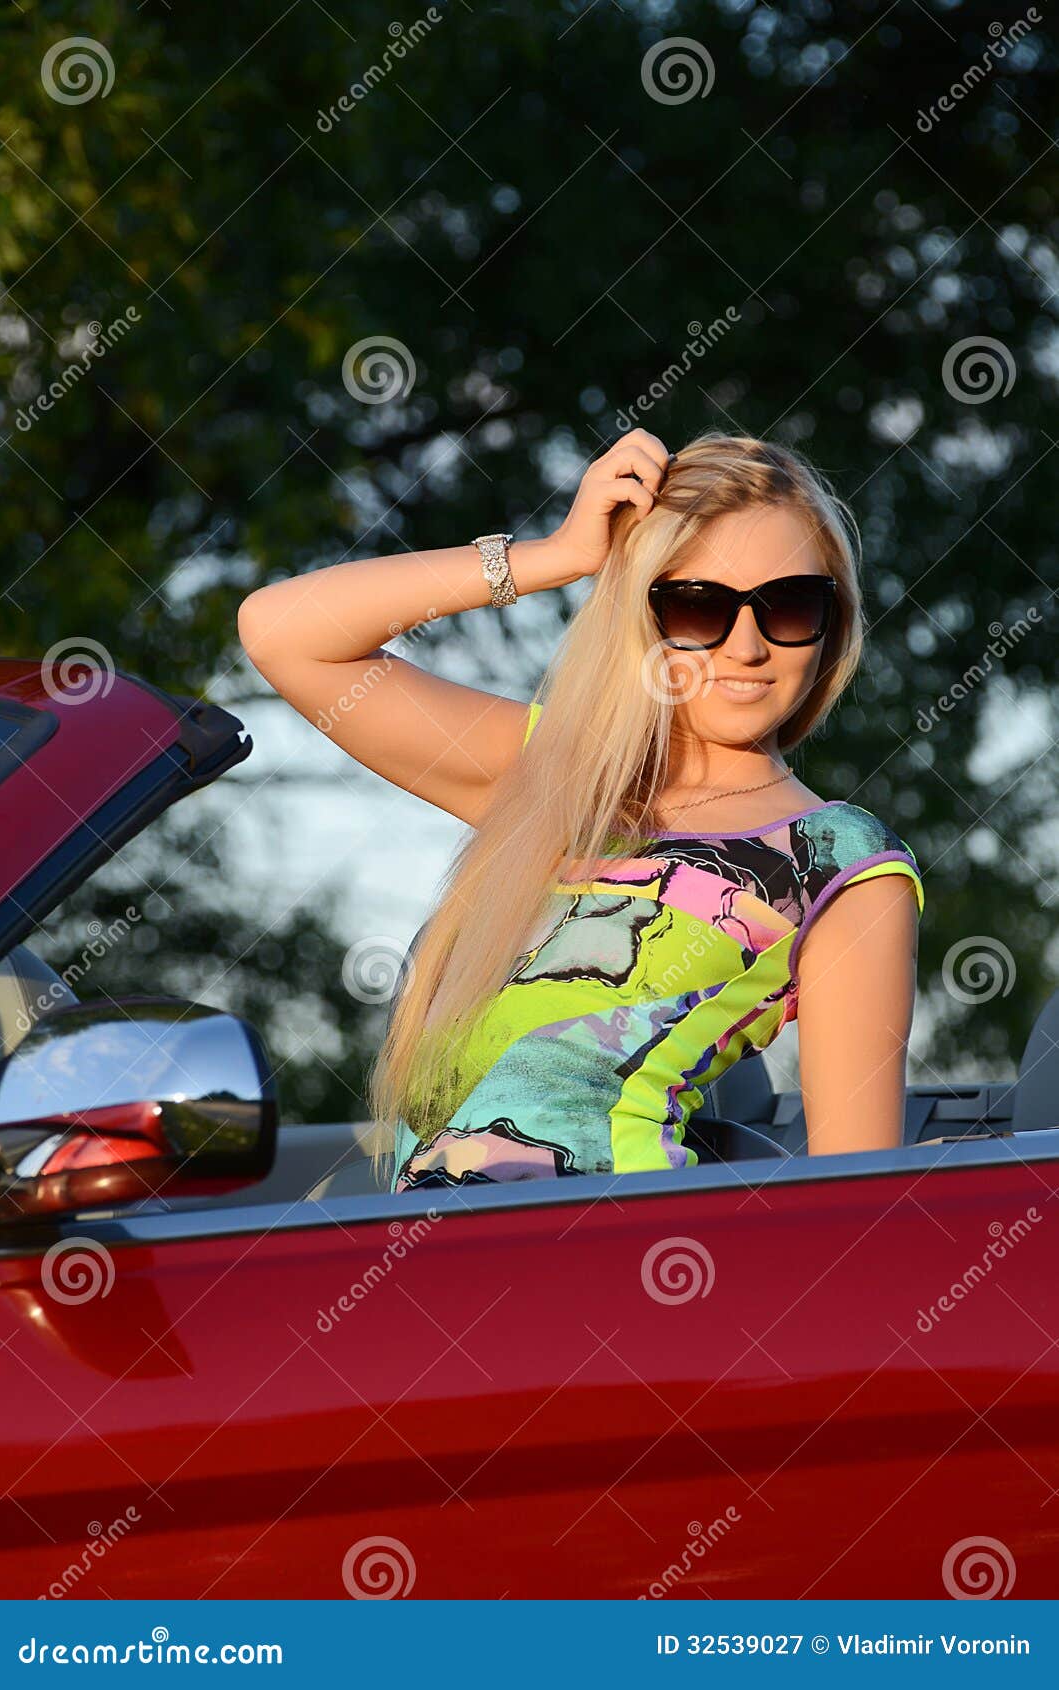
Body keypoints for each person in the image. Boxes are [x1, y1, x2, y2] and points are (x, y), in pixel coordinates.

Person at [237, 428, 925, 1192]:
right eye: (697, 607)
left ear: (832, 625)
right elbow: (283, 632)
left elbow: (854, 1206)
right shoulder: (553, 776)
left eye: (790, 605)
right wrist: (557, 557)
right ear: (640, 613)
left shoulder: (835, 859)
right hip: (415, 1281)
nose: (747, 645)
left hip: (609, 1276)